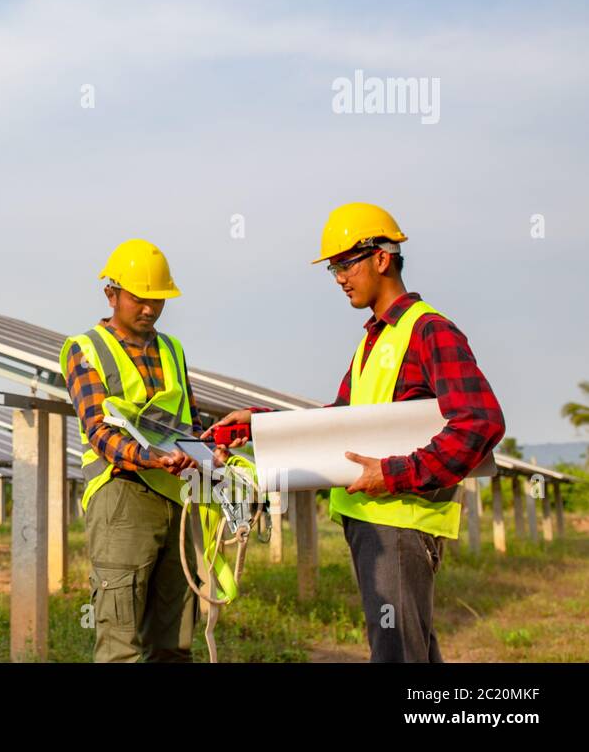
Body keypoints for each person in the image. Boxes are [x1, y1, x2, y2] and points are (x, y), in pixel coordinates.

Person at [206, 202, 505, 662]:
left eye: (346, 264)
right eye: (334, 269)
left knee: (397, 654)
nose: (340, 278)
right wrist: (262, 424)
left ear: (382, 258)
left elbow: (480, 420)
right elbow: (340, 419)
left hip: (400, 523)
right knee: (411, 649)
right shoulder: (375, 338)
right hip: (375, 523)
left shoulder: (429, 331)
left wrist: (395, 473)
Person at [59, 239, 205, 662]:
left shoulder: (172, 350)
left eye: (157, 301)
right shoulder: (84, 349)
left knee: (175, 635)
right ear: (112, 294)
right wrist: (150, 457)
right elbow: (98, 431)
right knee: (122, 641)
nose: (149, 310)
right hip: (121, 497)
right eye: (139, 300)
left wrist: (204, 451)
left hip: (175, 497)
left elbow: (189, 422)